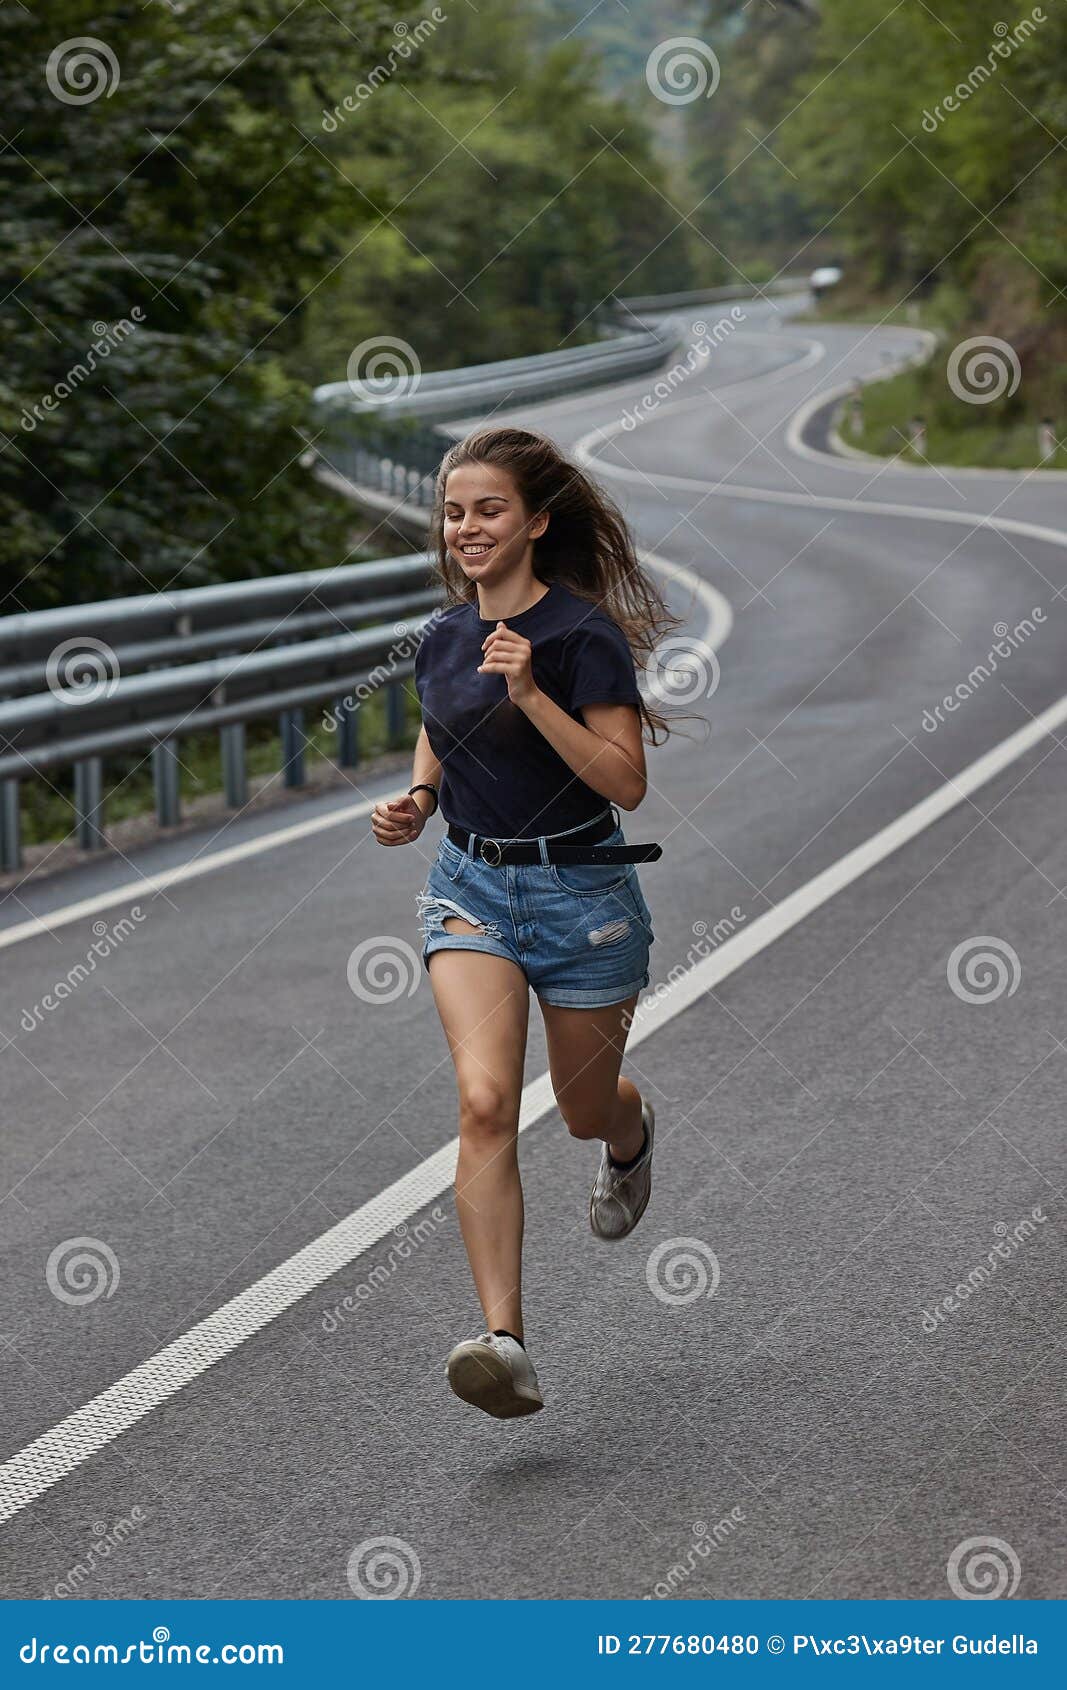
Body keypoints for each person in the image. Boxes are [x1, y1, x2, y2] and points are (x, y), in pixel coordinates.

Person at [371, 424, 689, 1419]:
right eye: (455, 511)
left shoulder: (580, 636)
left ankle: (629, 1135)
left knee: (583, 1106)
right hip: (470, 887)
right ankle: (503, 1340)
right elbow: (438, 722)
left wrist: (530, 692)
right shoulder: (441, 636)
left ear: (536, 521)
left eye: (488, 509)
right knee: (481, 1101)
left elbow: (625, 782)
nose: (465, 527)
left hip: (583, 897)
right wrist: (419, 799)